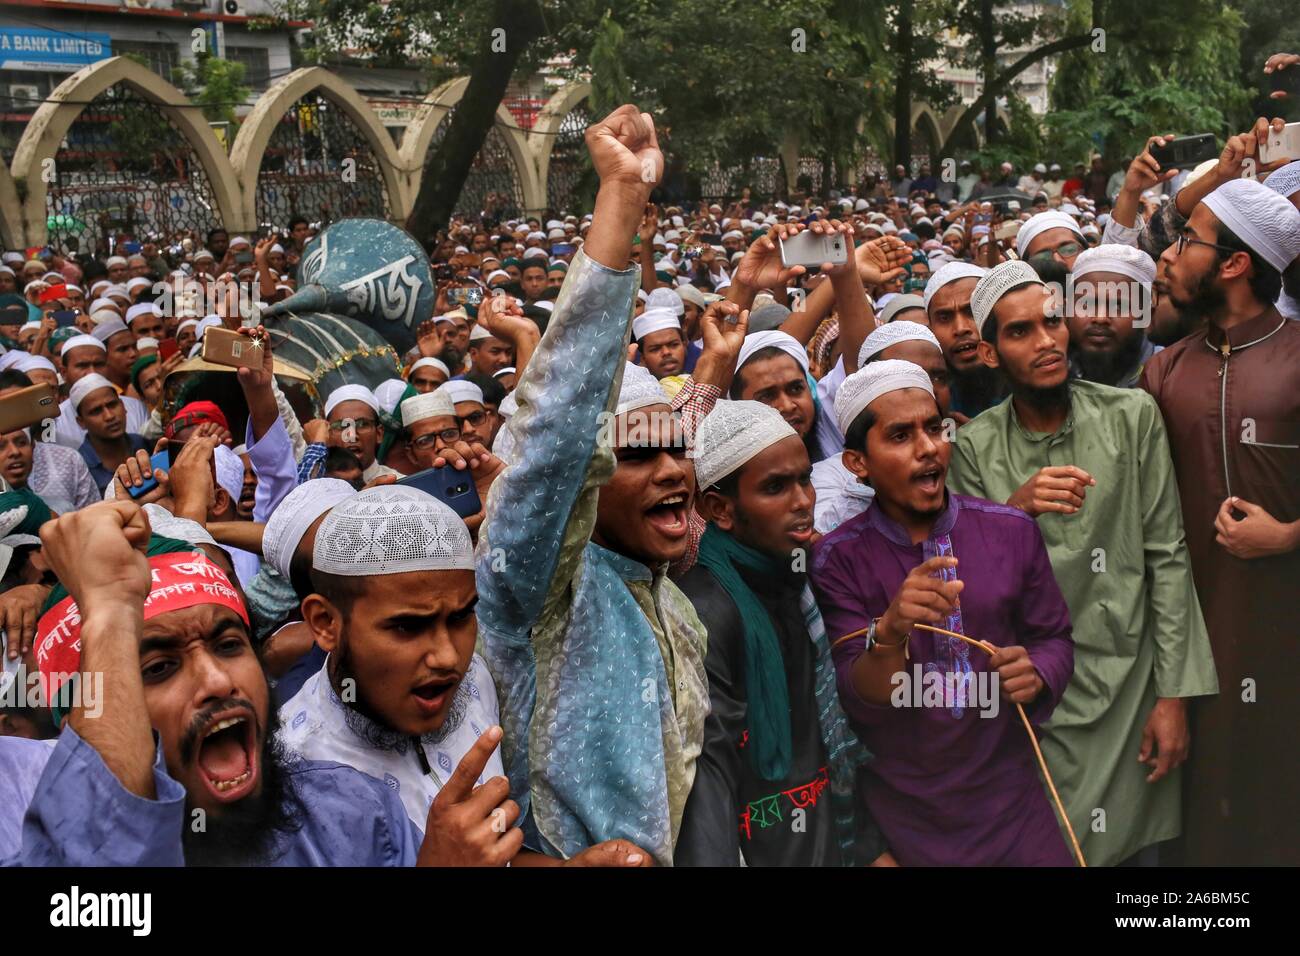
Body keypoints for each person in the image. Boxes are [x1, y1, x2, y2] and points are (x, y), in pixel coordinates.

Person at [4, 500, 565, 867]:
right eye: (157, 668)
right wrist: (106, 613)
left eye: (228, 645)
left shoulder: (351, 809)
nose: (218, 680)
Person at [475, 104, 706, 866]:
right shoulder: (538, 595)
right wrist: (619, 202)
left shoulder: (674, 603)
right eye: (637, 458)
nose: (672, 469)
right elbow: (561, 438)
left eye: (678, 448)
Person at [947, 258, 1217, 867]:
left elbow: (1166, 558)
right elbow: (969, 590)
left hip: (1131, 694)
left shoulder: (1132, 417)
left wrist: (1174, 699)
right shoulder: (973, 449)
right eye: (1019, 332)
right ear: (990, 354)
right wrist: (1014, 512)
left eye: (1050, 321)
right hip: (1040, 705)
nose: (1045, 342)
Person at [811, 360, 1075, 866]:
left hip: (1015, 809)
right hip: (909, 823)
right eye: (900, 435)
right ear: (857, 463)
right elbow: (859, 698)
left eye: (934, 428)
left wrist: (1037, 672)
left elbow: (1056, 637)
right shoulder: (838, 559)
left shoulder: (1010, 531)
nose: (929, 447)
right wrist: (889, 633)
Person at [1140, 177, 1300, 865]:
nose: (1168, 256)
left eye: (1187, 238)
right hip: (1191, 661)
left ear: (1236, 263)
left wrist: (1290, 537)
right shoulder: (1164, 374)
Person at [674, 400, 881, 866]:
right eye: (775, 487)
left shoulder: (802, 579)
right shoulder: (703, 612)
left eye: (804, 478)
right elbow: (708, 778)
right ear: (719, 509)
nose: (803, 500)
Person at [812, 322, 952, 534]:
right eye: (900, 436)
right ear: (857, 462)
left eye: (938, 376)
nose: (925, 386)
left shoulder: (968, 444)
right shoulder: (831, 478)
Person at [1067, 244, 1161, 388]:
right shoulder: (1053, 370)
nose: (1100, 318)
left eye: (1119, 306)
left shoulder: (1167, 373)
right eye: (1086, 304)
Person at [922, 261, 1003, 418]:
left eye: (972, 311)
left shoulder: (1034, 378)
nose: (960, 329)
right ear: (931, 328)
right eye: (945, 317)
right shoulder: (930, 400)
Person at [70, 374, 148, 494]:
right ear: (81, 422)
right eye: (96, 411)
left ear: (123, 406)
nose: (109, 416)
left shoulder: (143, 444)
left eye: (112, 405)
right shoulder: (79, 466)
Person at [324, 384, 399, 483]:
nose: (352, 436)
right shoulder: (315, 491)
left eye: (362, 424)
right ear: (327, 435)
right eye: (341, 426)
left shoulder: (401, 484)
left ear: (379, 433)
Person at [632, 307, 687, 379]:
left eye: (674, 345)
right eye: (655, 349)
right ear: (643, 358)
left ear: (684, 346)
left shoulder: (702, 383)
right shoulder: (633, 389)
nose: (666, 352)